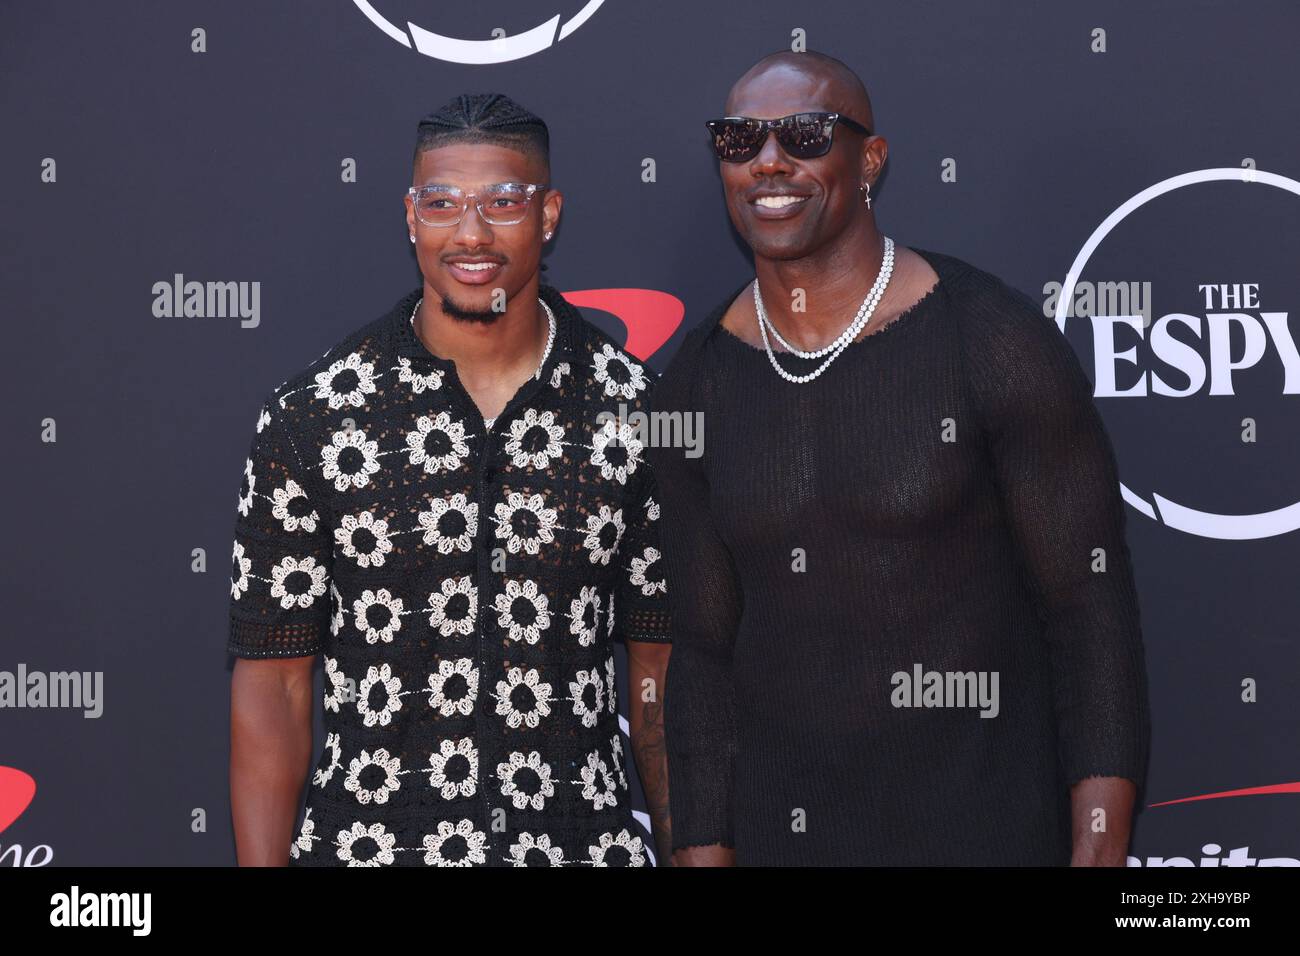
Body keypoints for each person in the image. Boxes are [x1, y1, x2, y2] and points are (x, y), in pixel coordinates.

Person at [648, 51, 1151, 866]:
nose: (769, 162)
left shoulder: (994, 341)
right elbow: (702, 654)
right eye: (739, 140)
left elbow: (1090, 616)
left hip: (989, 837)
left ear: (870, 159)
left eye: (804, 135)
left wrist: (1099, 850)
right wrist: (702, 853)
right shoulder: (693, 385)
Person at [228, 92, 673, 867]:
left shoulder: (636, 413)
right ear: (410, 217)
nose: (471, 233)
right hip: (366, 848)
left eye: (503, 201)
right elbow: (275, 688)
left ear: (550, 214)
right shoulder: (314, 416)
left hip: (579, 846)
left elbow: (663, 681)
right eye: (442, 203)